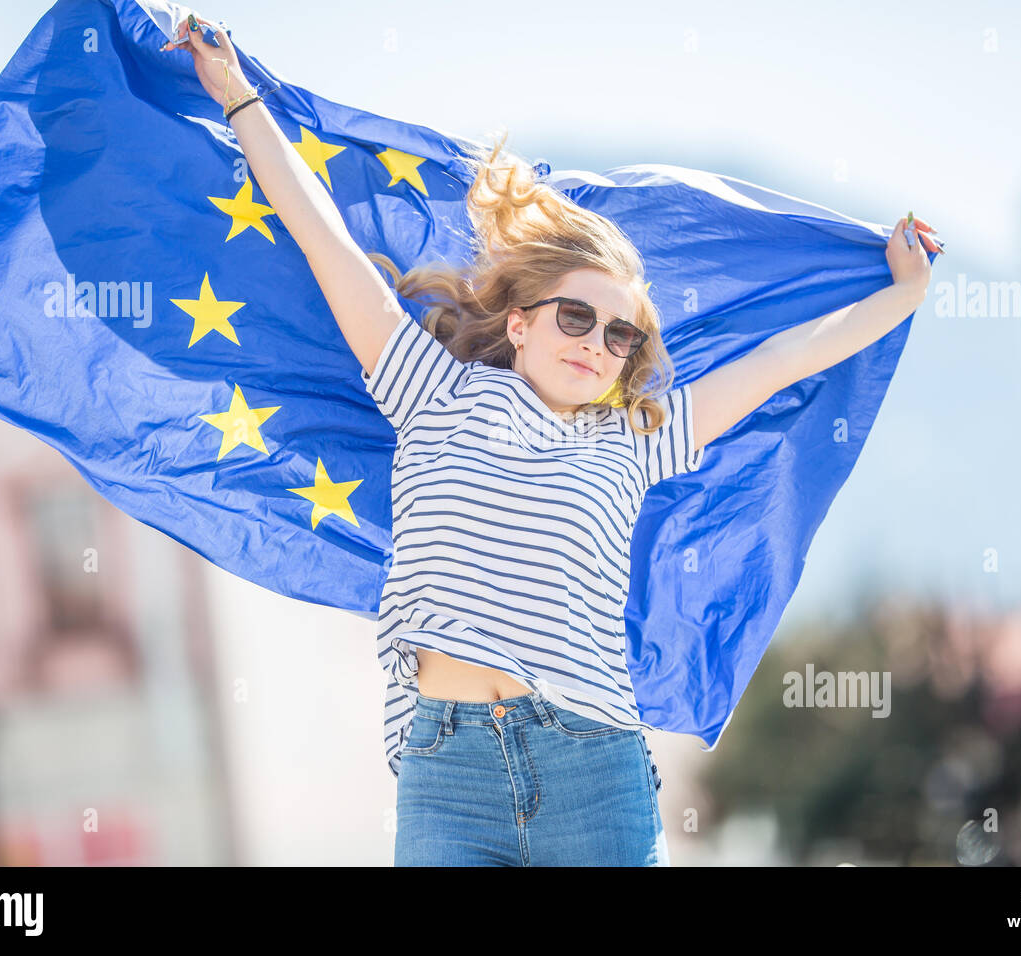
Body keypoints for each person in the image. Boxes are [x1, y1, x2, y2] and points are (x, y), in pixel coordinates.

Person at [166, 15, 938, 867]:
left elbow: (787, 357)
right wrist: (235, 94)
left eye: (621, 337)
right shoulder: (431, 389)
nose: (596, 343)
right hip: (444, 773)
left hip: (593, 773)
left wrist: (901, 295)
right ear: (522, 320)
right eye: (578, 316)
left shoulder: (639, 439)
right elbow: (324, 240)